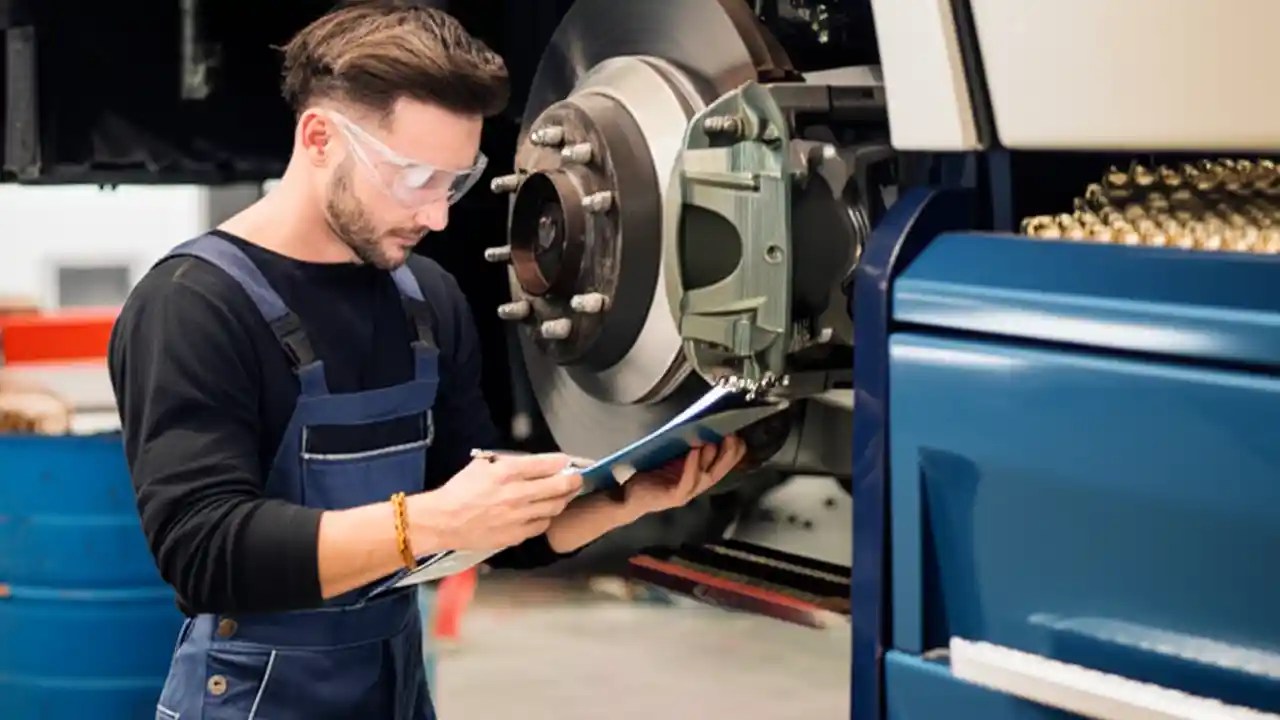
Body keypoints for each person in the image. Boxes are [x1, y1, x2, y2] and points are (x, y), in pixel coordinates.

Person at [107, 4, 747, 720]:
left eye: (455, 182)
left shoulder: (426, 299)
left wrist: (623, 501)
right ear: (319, 138)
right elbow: (204, 550)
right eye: (413, 177)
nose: (438, 215)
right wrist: (430, 522)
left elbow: (474, 521)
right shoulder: (194, 305)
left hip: (394, 691)